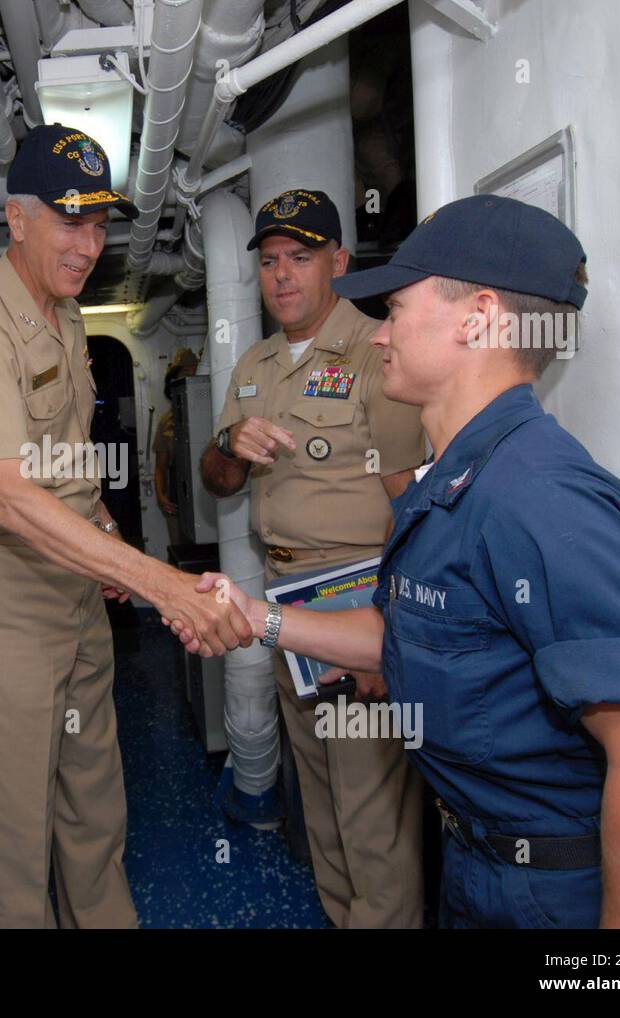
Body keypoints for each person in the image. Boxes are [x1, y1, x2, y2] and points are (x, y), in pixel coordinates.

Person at [176, 195, 620, 928]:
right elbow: (413, 630)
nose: (377, 337)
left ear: (480, 316)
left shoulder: (542, 496)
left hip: (551, 894)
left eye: (396, 310)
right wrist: (261, 619)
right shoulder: (461, 479)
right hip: (477, 863)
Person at [0, 124, 252, 928]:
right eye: (70, 220)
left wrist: (106, 530)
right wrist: (162, 584)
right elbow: (4, 495)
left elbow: (65, 465)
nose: (88, 243)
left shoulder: (68, 320)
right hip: (9, 594)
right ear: (18, 218)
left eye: (99, 223)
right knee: (19, 824)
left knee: (95, 797)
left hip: (75, 584)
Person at [198, 188, 427, 928]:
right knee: (322, 801)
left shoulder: (375, 352)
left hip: (358, 600)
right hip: (286, 601)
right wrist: (231, 445)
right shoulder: (257, 363)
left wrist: (385, 637)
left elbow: (410, 505)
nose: (283, 276)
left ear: (339, 260)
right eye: (268, 262)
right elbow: (217, 479)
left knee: (370, 812)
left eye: (300, 257)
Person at [152, 348, 198, 548]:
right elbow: (161, 466)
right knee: (180, 551)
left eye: (193, 373)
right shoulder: (167, 421)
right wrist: (162, 496)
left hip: (205, 499)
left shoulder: (214, 413)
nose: (190, 378)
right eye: (185, 374)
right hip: (177, 498)